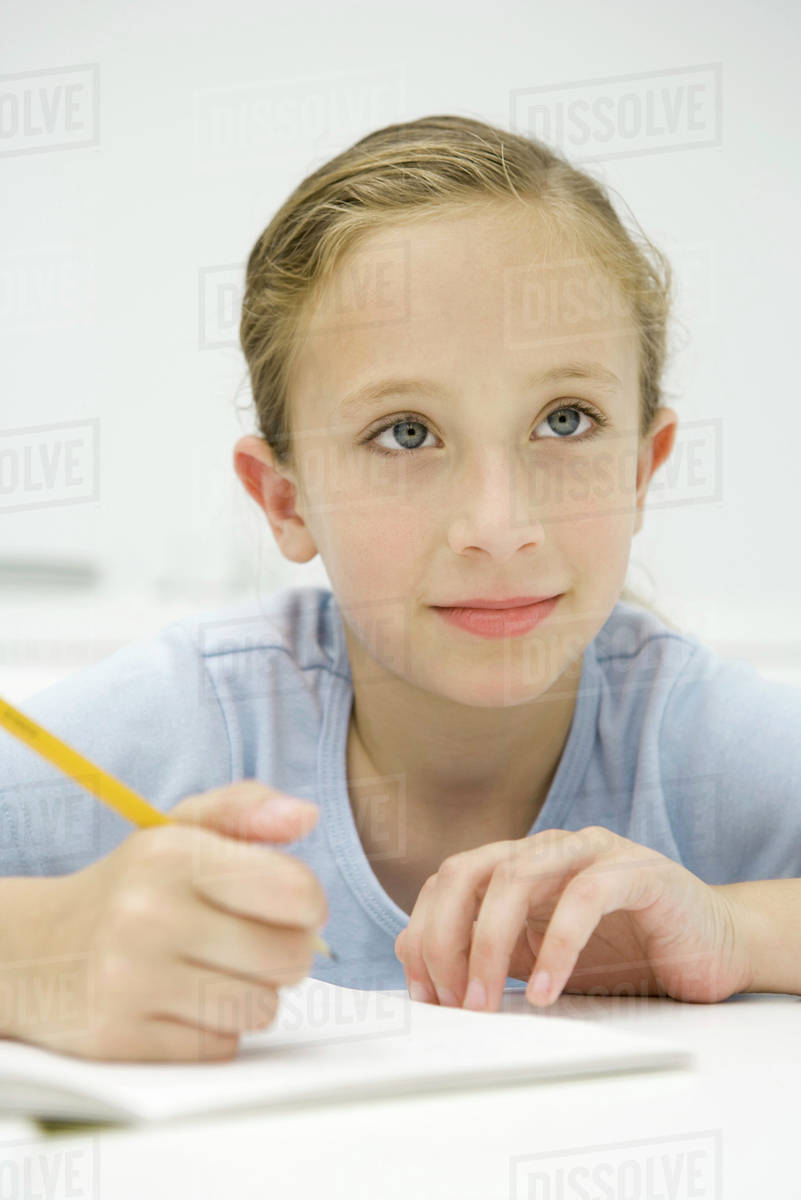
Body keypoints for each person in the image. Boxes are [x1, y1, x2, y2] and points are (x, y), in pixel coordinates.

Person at [1, 115, 799, 1063]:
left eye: (566, 418)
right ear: (284, 499)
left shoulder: (707, 741)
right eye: (406, 434)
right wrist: (37, 947)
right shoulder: (182, 723)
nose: (498, 527)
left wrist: (739, 930)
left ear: (642, 467)